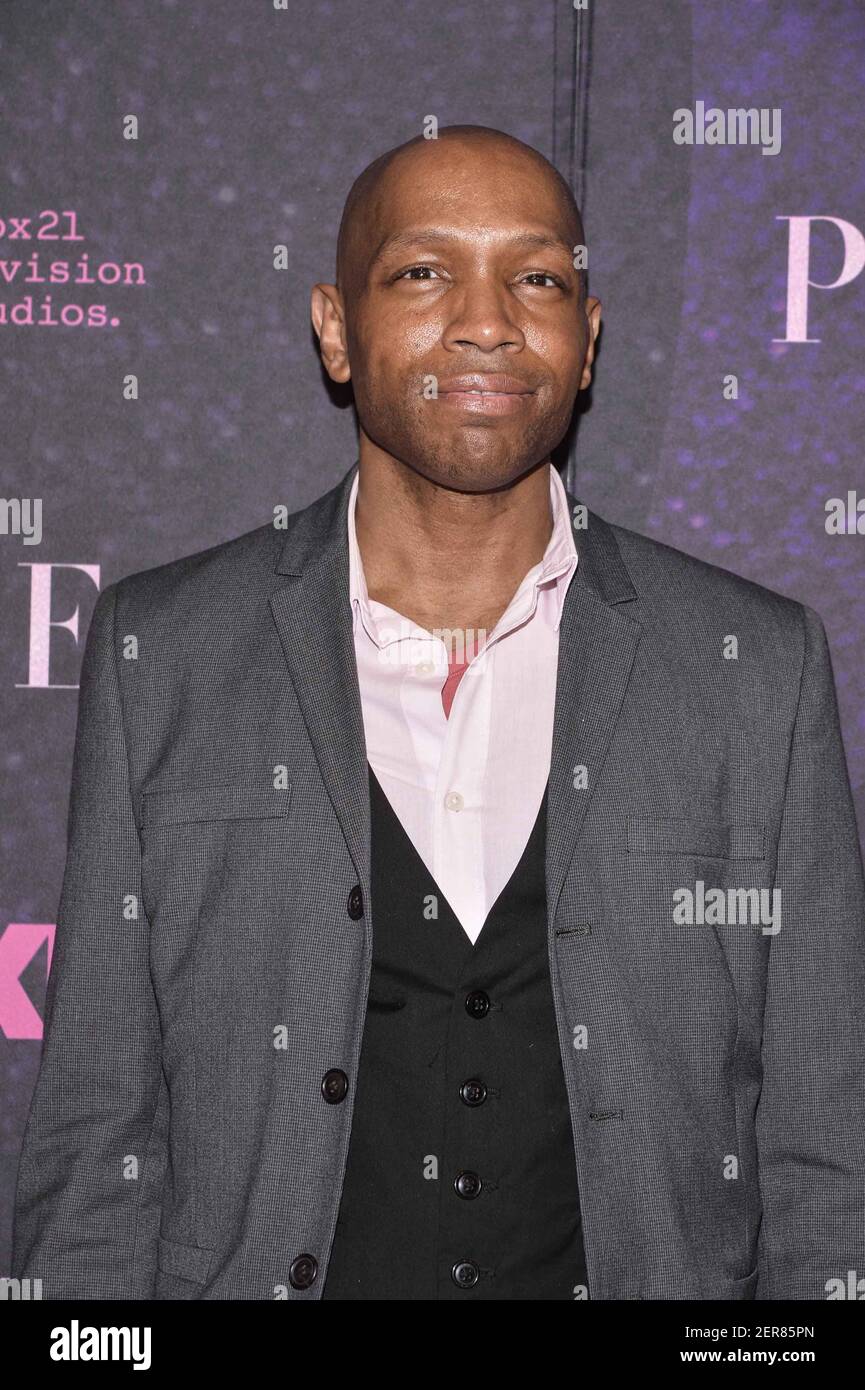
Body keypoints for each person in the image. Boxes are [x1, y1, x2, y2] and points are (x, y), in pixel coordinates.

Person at [12, 126, 865, 1300]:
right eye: (423, 272)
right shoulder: (165, 651)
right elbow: (98, 1131)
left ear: (588, 336)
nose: (486, 319)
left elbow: (829, 1147)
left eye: (537, 278)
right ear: (334, 329)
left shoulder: (750, 666)